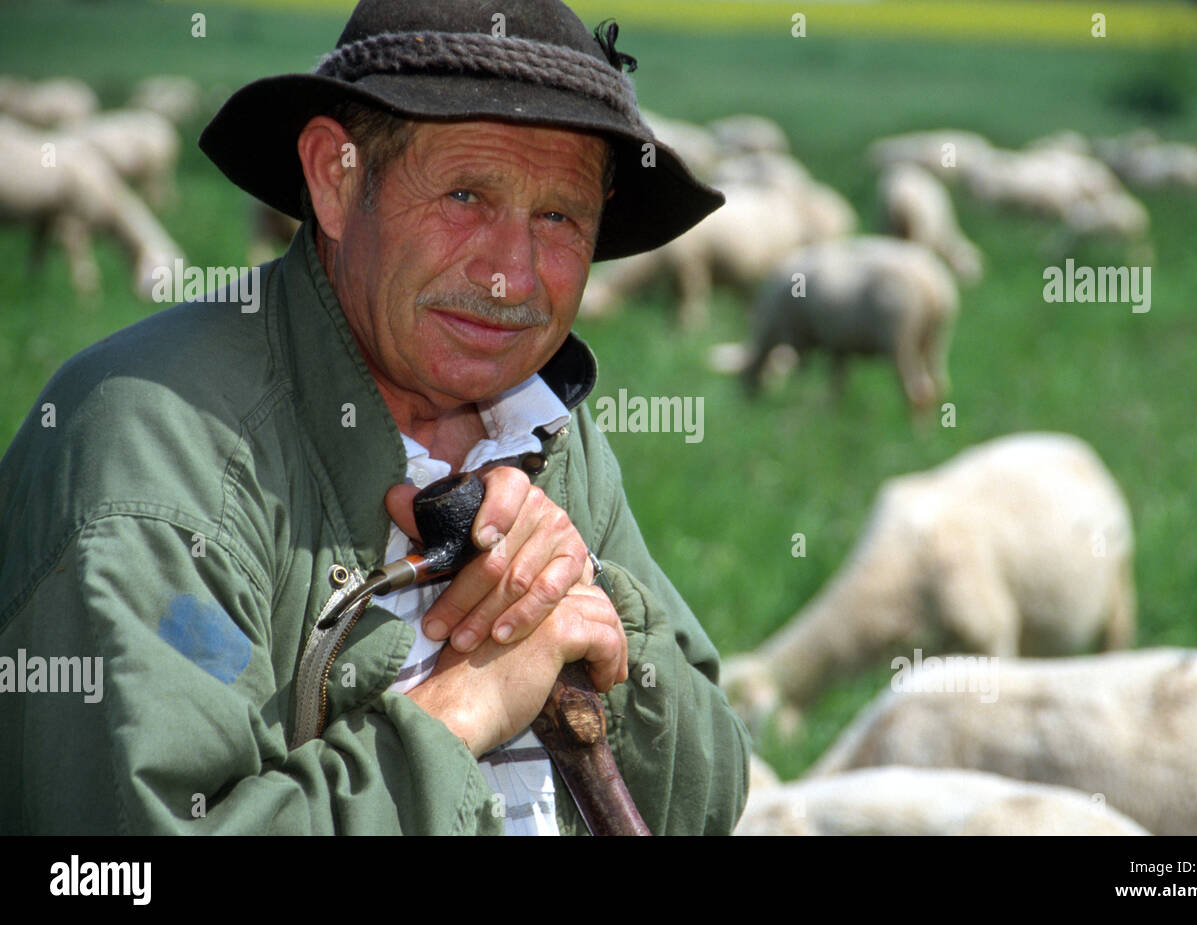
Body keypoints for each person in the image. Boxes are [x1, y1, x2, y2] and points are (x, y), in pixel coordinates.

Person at [0, 0, 750, 835]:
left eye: (559, 216)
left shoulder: (544, 427)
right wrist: (455, 715)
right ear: (336, 177)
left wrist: (601, 620)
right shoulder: (153, 459)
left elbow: (708, 801)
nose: (512, 276)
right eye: (466, 194)